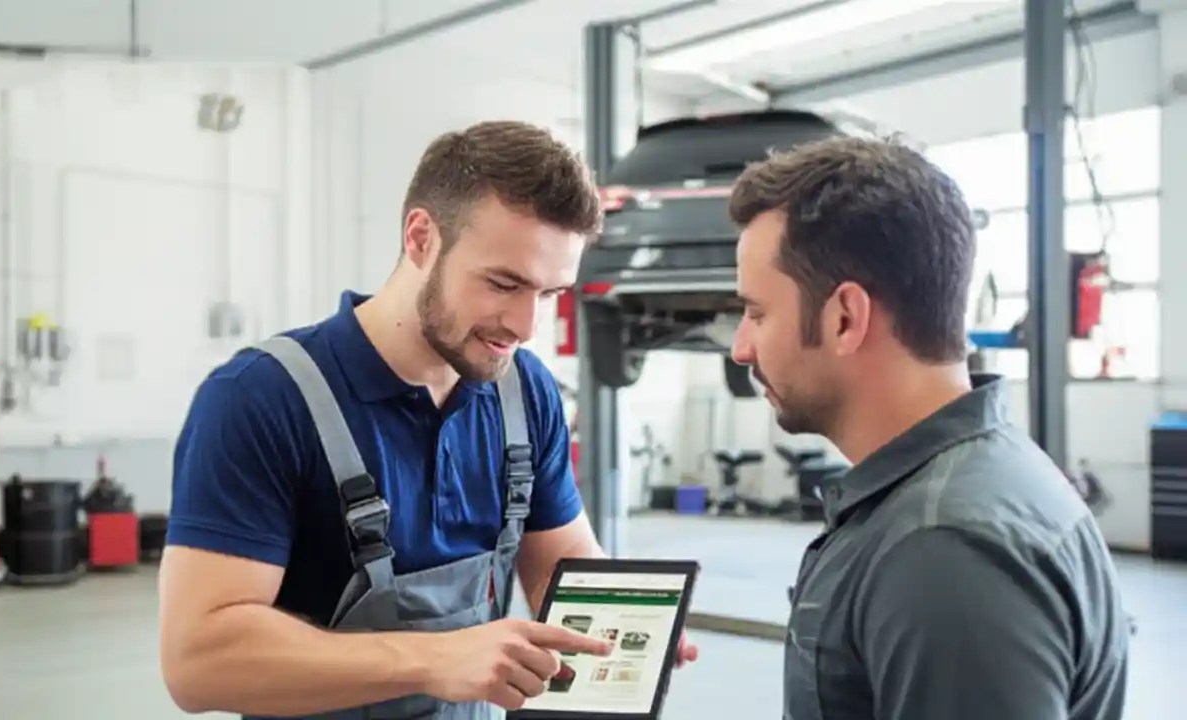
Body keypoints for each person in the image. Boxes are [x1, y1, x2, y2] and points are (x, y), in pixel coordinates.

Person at [158, 120, 696, 720]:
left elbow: (562, 569)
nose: (525, 326)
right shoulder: (259, 400)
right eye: (503, 283)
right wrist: (432, 660)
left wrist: (623, 628)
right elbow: (197, 664)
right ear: (420, 238)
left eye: (549, 294)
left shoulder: (525, 392)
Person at [727, 136, 1129, 720]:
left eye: (757, 313)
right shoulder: (970, 484)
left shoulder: (943, 551)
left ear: (845, 318)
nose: (741, 348)